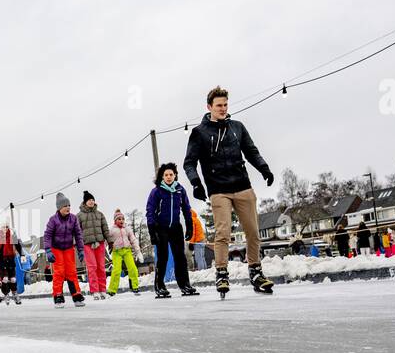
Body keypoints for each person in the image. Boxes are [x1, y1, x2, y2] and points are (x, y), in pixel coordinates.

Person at [182, 85, 275, 295]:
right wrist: (196, 182)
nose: (223, 109)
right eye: (219, 105)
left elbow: (251, 151)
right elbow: (189, 162)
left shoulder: (237, 127)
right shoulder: (199, 133)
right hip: (218, 189)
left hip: (242, 186)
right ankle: (222, 273)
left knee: (252, 231)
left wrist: (264, 168)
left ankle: (256, 271)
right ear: (209, 107)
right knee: (223, 232)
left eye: (225, 105)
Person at [145, 163, 199, 298]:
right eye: (166, 175)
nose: (169, 177)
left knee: (180, 256)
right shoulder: (156, 191)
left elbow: (186, 208)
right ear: (162, 177)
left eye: (171, 174)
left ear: (175, 175)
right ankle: (160, 286)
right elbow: (150, 210)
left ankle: (185, 284)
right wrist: (152, 230)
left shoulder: (180, 190)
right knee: (163, 257)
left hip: (175, 227)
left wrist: (189, 225)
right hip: (160, 227)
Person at [43, 192, 87, 307]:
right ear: (59, 208)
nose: (68, 208)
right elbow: (47, 235)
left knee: (71, 272)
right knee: (59, 272)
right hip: (56, 248)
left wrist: (81, 249)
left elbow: (78, 234)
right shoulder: (53, 220)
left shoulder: (73, 218)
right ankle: (58, 296)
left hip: (68, 248)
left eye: (69, 206)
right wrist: (48, 250)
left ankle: (76, 295)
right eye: (65, 206)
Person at [77, 191, 113, 299]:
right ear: (85, 202)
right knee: (92, 267)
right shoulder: (79, 216)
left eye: (93, 200)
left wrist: (110, 241)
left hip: (100, 243)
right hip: (87, 244)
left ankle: (102, 290)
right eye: (89, 200)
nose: (91, 202)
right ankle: (95, 290)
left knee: (101, 267)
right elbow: (76, 231)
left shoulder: (100, 214)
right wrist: (78, 245)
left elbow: (105, 229)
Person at [107, 208, 143, 295]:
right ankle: (112, 290)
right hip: (116, 252)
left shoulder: (127, 229)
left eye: (123, 219)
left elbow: (133, 240)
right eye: (119, 219)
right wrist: (105, 250)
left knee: (133, 268)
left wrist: (138, 252)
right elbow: (107, 240)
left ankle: (135, 286)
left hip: (127, 251)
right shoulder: (112, 230)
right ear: (115, 220)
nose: (121, 221)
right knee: (116, 270)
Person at [0, 222, 24, 305]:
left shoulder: (12, 235)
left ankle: (15, 294)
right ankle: (6, 294)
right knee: (5, 279)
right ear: (1, 228)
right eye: (3, 227)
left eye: (7, 227)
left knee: (13, 279)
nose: (5, 229)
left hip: (10, 259)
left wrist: (22, 254)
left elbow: (18, 245)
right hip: (1, 261)